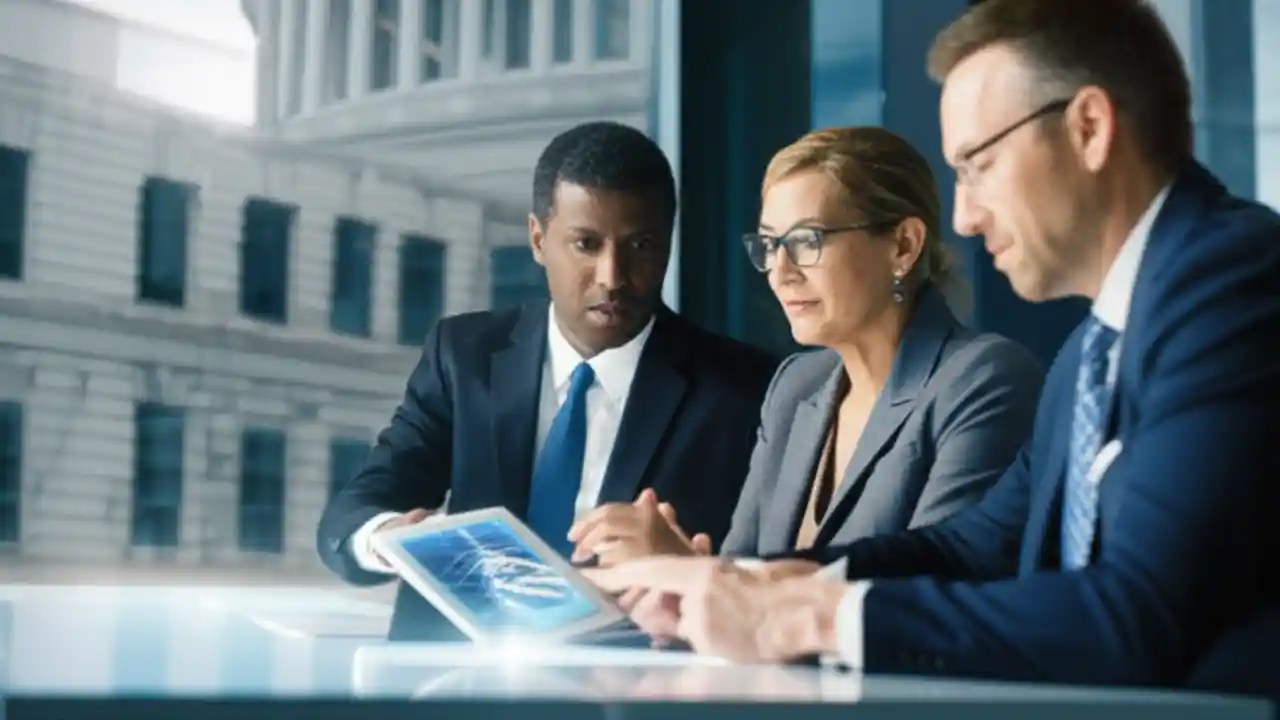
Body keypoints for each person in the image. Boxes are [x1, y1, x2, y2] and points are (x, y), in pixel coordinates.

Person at [585, 0, 1280, 695]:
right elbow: (970, 547)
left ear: (1089, 128)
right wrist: (747, 583)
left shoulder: (1235, 285)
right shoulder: (1087, 356)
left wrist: (816, 619)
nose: (967, 217)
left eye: (978, 165)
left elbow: (1137, 616)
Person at [317, 121, 779, 641]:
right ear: (538, 239)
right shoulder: (465, 356)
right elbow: (359, 508)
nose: (612, 275)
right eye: (586, 243)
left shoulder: (746, 390)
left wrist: (691, 569)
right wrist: (391, 540)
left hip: (640, 690)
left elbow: (767, 575)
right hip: (451, 687)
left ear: (669, 242)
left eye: (641, 245)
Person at [568, 127, 1042, 570]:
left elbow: (932, 598)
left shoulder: (982, 380)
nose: (781, 271)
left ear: (903, 245)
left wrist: (688, 571)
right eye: (771, 245)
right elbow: (741, 588)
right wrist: (681, 576)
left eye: (807, 240)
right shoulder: (796, 387)